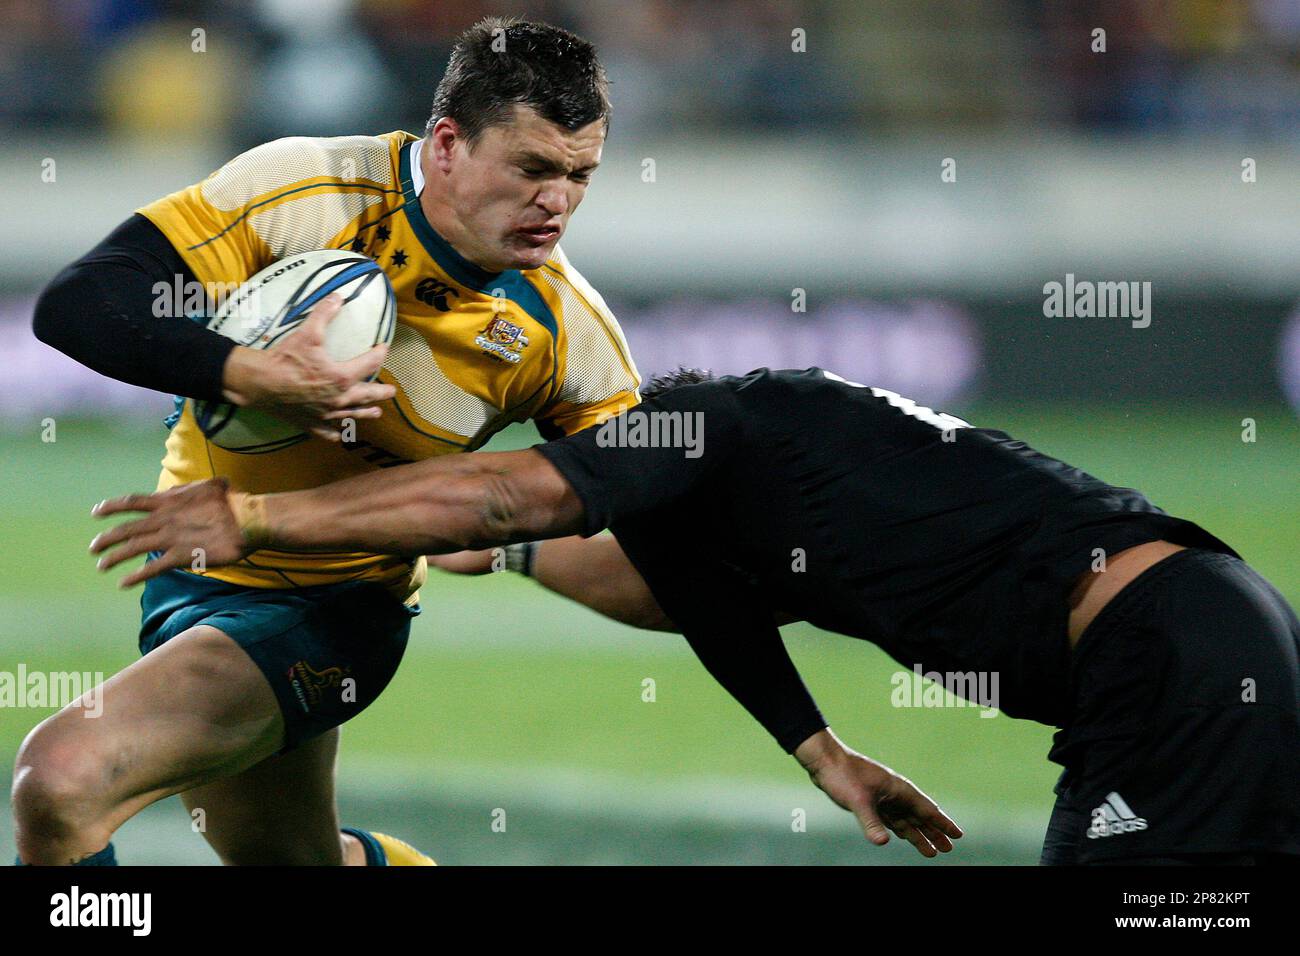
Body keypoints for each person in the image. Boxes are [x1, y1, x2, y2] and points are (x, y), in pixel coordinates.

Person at [87, 366, 1300, 863]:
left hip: (1167, 655)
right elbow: (694, 602)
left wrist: (257, 516)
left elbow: (521, 487)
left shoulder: (700, 420)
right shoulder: (769, 488)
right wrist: (823, 752)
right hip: (1189, 640)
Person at [16, 17, 640, 866]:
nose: (557, 201)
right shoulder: (309, 190)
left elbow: (651, 538)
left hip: (335, 610)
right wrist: (246, 372)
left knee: (59, 783)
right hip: (192, 574)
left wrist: (806, 704)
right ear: (448, 144)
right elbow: (82, 304)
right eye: (532, 167)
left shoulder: (570, 337)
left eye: (580, 175)